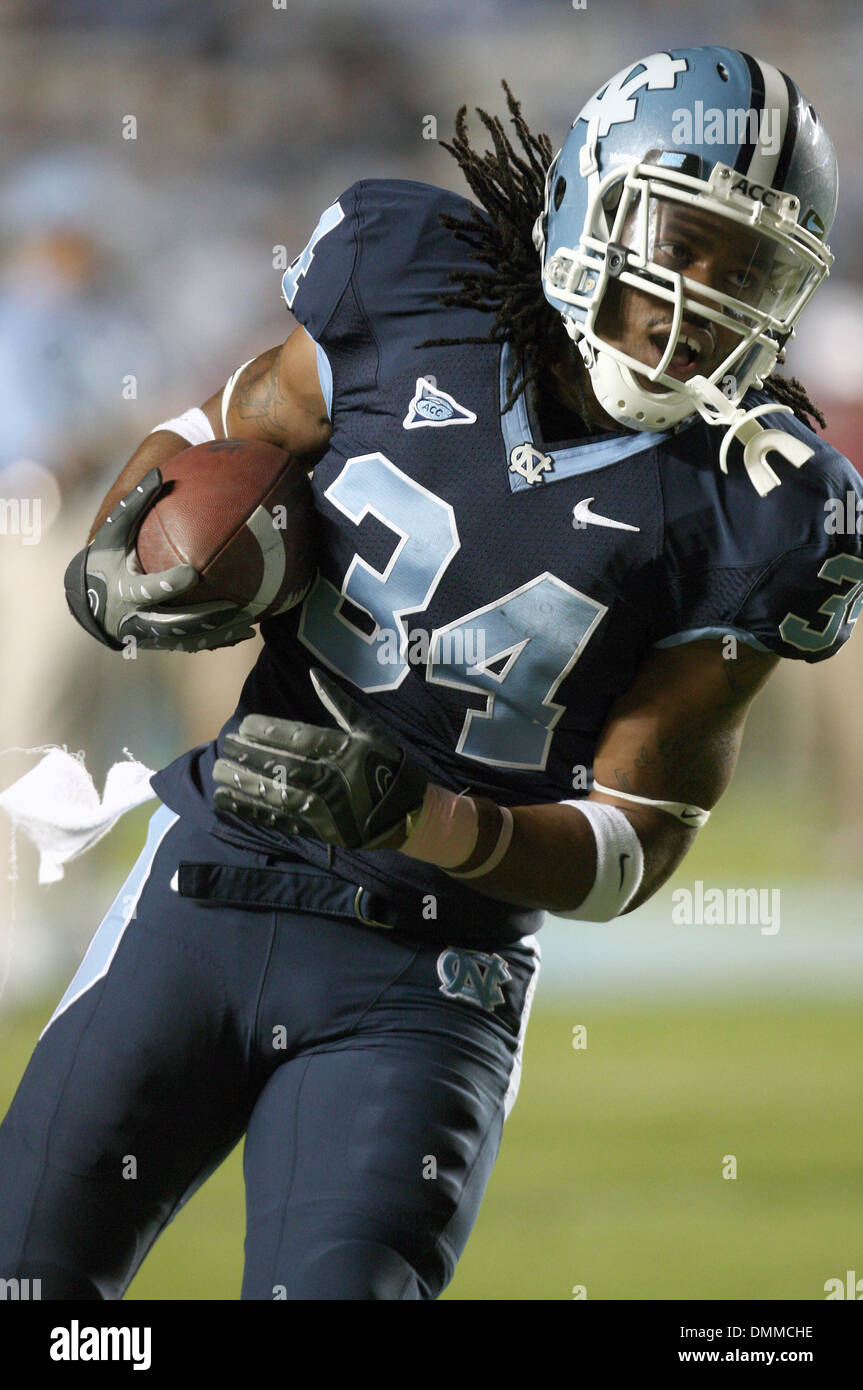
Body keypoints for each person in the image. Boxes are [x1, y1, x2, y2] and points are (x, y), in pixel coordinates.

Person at [2, 46, 861, 1301]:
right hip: (207, 879)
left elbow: (632, 843)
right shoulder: (415, 283)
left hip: (425, 971)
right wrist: (125, 546)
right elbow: (213, 435)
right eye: (679, 244)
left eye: (746, 273)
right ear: (586, 201)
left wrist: (428, 821)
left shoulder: (758, 504)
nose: (700, 306)